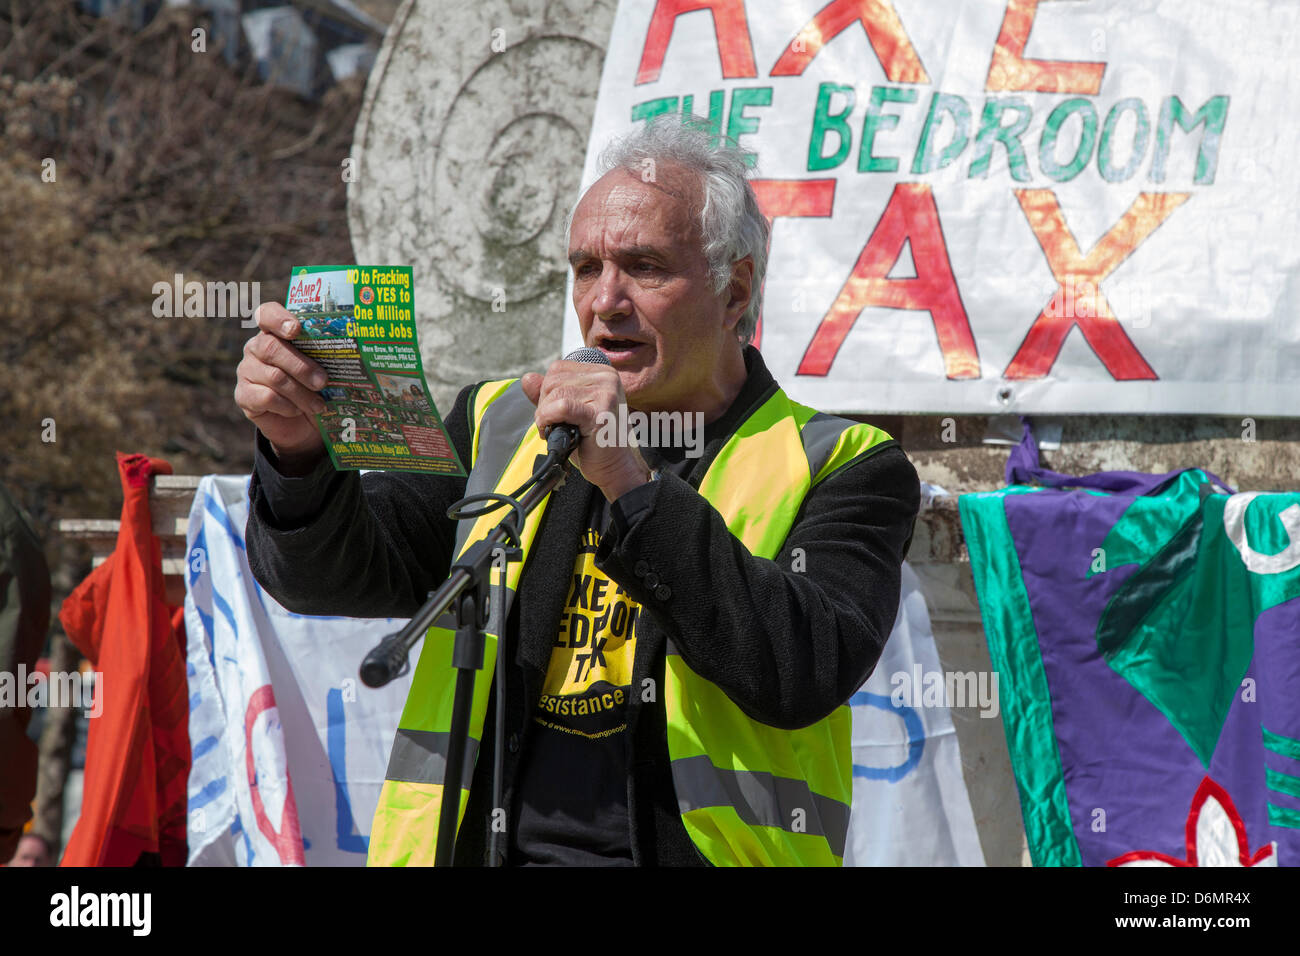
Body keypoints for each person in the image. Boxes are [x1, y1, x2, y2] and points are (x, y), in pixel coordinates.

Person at [235, 116, 920, 866]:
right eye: (586, 268)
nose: (606, 301)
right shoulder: (500, 422)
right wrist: (297, 452)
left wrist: (629, 480)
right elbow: (330, 575)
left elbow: (799, 669)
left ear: (735, 290)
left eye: (646, 266)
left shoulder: (846, 464)